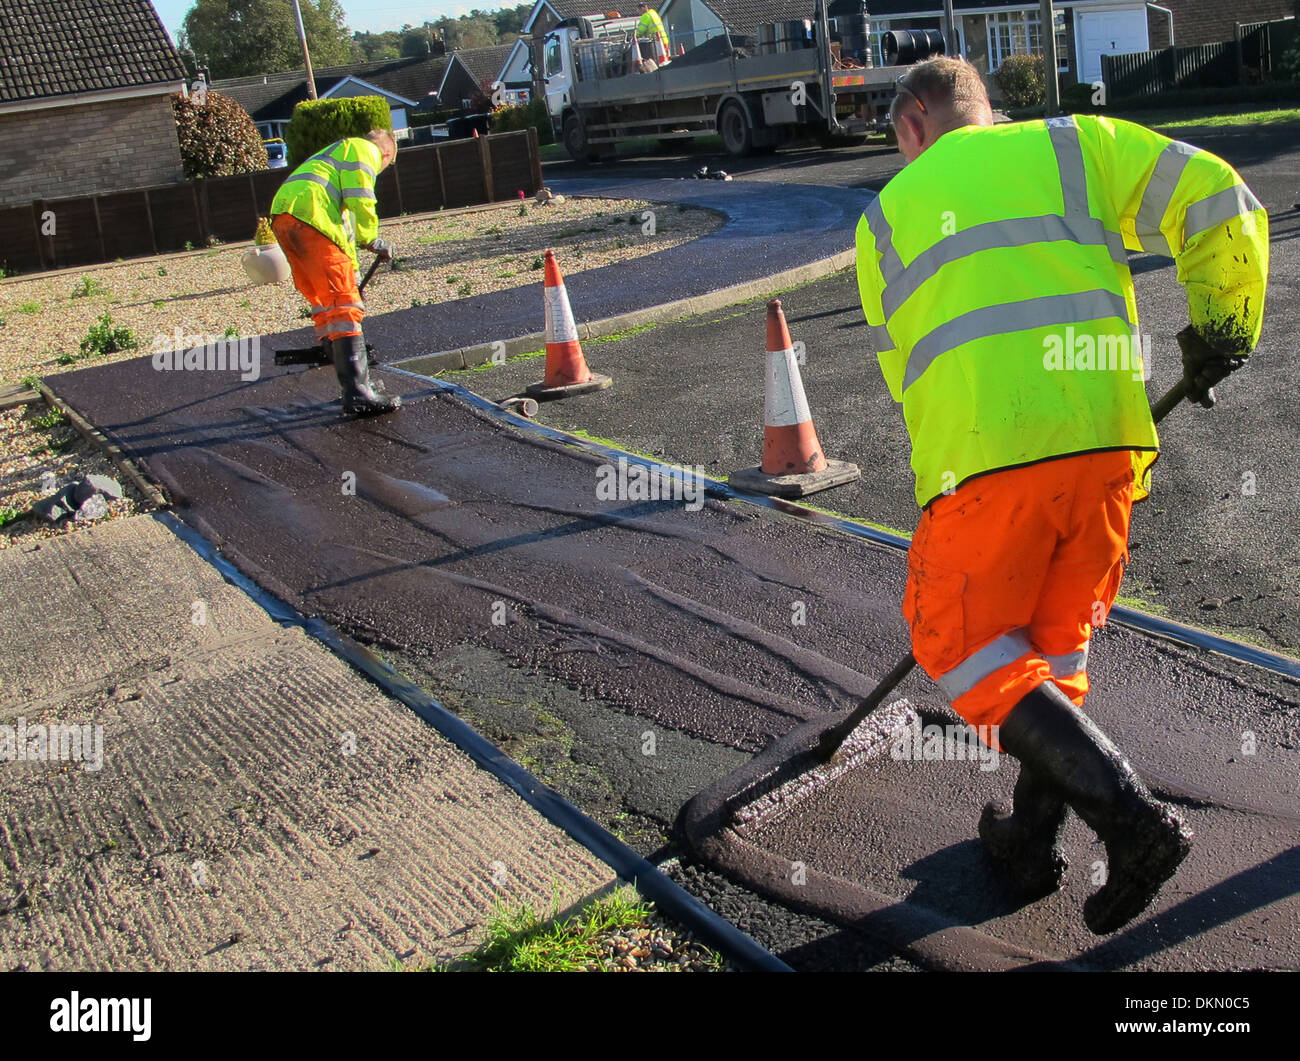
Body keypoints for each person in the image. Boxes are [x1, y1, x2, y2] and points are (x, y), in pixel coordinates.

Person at [856, 58, 1268, 934]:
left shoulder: (885, 219)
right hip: (1111, 448)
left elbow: (910, 380)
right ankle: (1031, 839)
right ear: (990, 110)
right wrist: (1224, 325)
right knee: (1055, 649)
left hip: (991, 460)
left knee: (955, 633)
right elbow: (1221, 198)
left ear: (914, 122)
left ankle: (1135, 825)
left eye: (899, 138)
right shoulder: (1077, 144)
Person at [271, 128, 401, 416]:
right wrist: (372, 239)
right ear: (387, 154)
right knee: (345, 306)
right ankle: (358, 390)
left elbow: (342, 231)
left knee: (322, 296)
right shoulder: (364, 151)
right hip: (310, 214)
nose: (379, 170)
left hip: (284, 214)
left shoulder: (334, 158)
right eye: (385, 167)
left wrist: (352, 270)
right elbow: (362, 199)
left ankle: (333, 349)